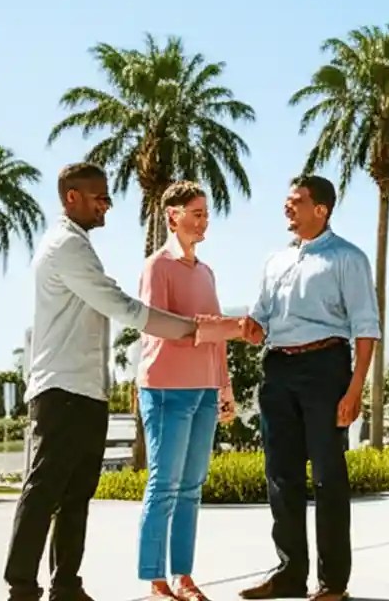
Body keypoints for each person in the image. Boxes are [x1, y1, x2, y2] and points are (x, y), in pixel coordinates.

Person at [4, 162, 210, 601]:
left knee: (77, 493)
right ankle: (21, 587)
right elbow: (123, 307)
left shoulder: (80, 245)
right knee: (44, 490)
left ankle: (66, 585)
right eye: (99, 197)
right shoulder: (66, 246)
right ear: (70, 197)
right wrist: (193, 329)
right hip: (61, 389)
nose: (107, 205)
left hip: (87, 390)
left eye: (108, 196)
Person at [237, 175, 380, 601]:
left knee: (328, 478)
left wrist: (354, 390)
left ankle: (333, 583)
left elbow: (366, 329)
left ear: (322, 209)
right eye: (287, 200)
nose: (287, 207)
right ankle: (289, 574)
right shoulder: (274, 260)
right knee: (281, 476)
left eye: (296, 201)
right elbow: (259, 321)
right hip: (277, 370)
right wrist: (243, 327)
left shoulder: (347, 258)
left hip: (326, 368)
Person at [134, 181, 242, 600]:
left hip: (203, 390)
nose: (203, 220)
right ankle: (155, 579)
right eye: (195, 212)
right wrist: (220, 328)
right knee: (164, 485)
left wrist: (224, 386)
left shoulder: (206, 272)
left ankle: (183, 576)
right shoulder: (157, 267)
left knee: (192, 486)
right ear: (171, 216)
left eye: (206, 212)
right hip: (165, 389)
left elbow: (214, 337)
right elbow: (157, 328)